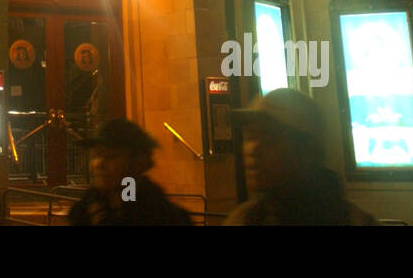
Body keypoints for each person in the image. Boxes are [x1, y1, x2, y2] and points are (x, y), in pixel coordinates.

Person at [225, 88, 376, 225]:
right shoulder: (243, 220)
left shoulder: (356, 222)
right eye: (250, 136)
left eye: (271, 139)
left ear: (307, 151)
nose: (253, 149)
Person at [68, 118, 192, 225]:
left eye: (112, 156)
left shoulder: (166, 218)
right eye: (96, 155)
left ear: (138, 163)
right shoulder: (84, 213)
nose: (99, 164)